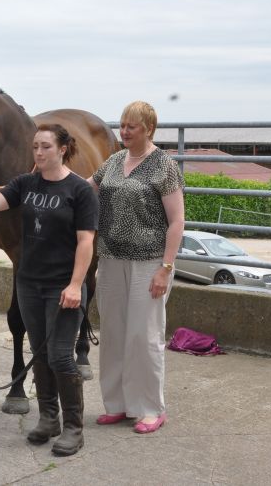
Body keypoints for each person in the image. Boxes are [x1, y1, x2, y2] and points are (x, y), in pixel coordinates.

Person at [0, 124, 98, 456]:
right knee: (41, 353)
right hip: (29, 283)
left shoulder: (79, 191)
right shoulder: (25, 183)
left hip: (63, 286)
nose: (38, 152)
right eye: (35, 146)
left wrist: (76, 284)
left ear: (63, 149)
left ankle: (74, 428)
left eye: (45, 146)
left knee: (62, 355)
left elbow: (86, 242)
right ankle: (49, 419)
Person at [87, 101, 185, 434]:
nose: (124, 132)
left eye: (132, 127)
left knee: (145, 336)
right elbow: (86, 188)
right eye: (122, 125)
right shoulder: (113, 161)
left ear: (149, 129)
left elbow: (176, 221)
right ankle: (117, 404)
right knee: (113, 333)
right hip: (111, 258)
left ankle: (150, 408)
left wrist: (166, 268)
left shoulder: (164, 166)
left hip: (149, 262)